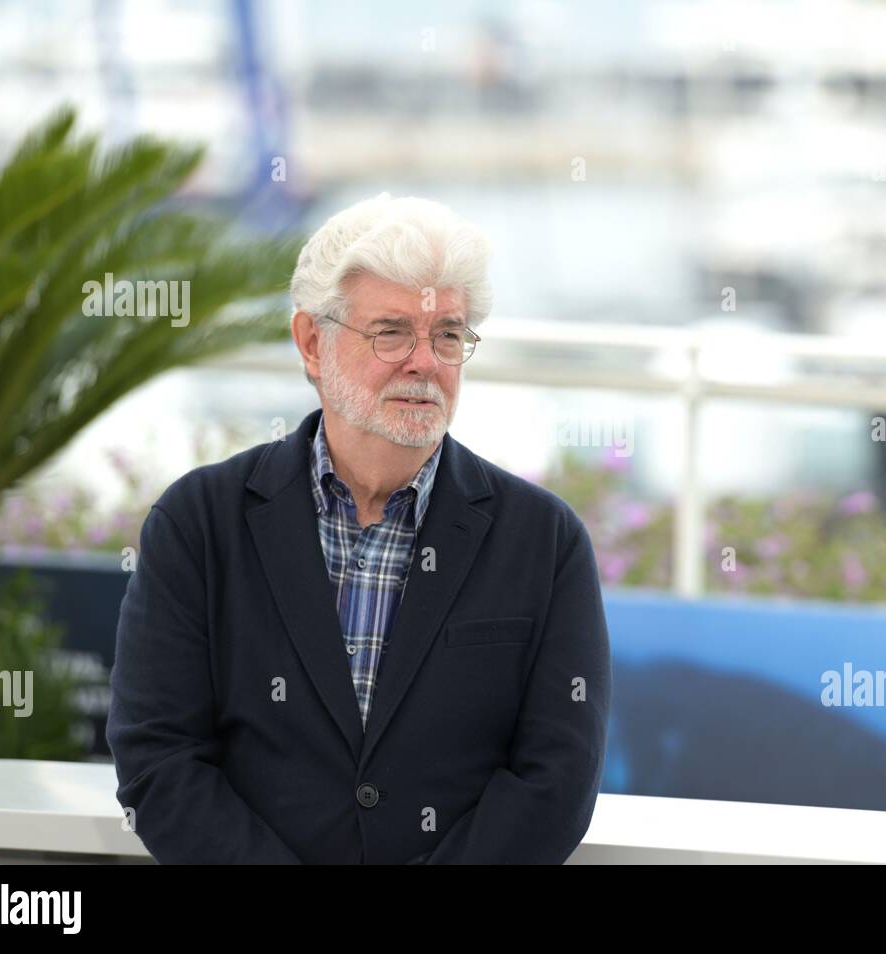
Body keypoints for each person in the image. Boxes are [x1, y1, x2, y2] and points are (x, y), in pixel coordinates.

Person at [107, 192, 611, 863]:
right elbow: (158, 758)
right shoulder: (198, 524)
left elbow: (557, 778)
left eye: (449, 334)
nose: (425, 362)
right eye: (392, 332)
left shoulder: (545, 542)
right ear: (313, 343)